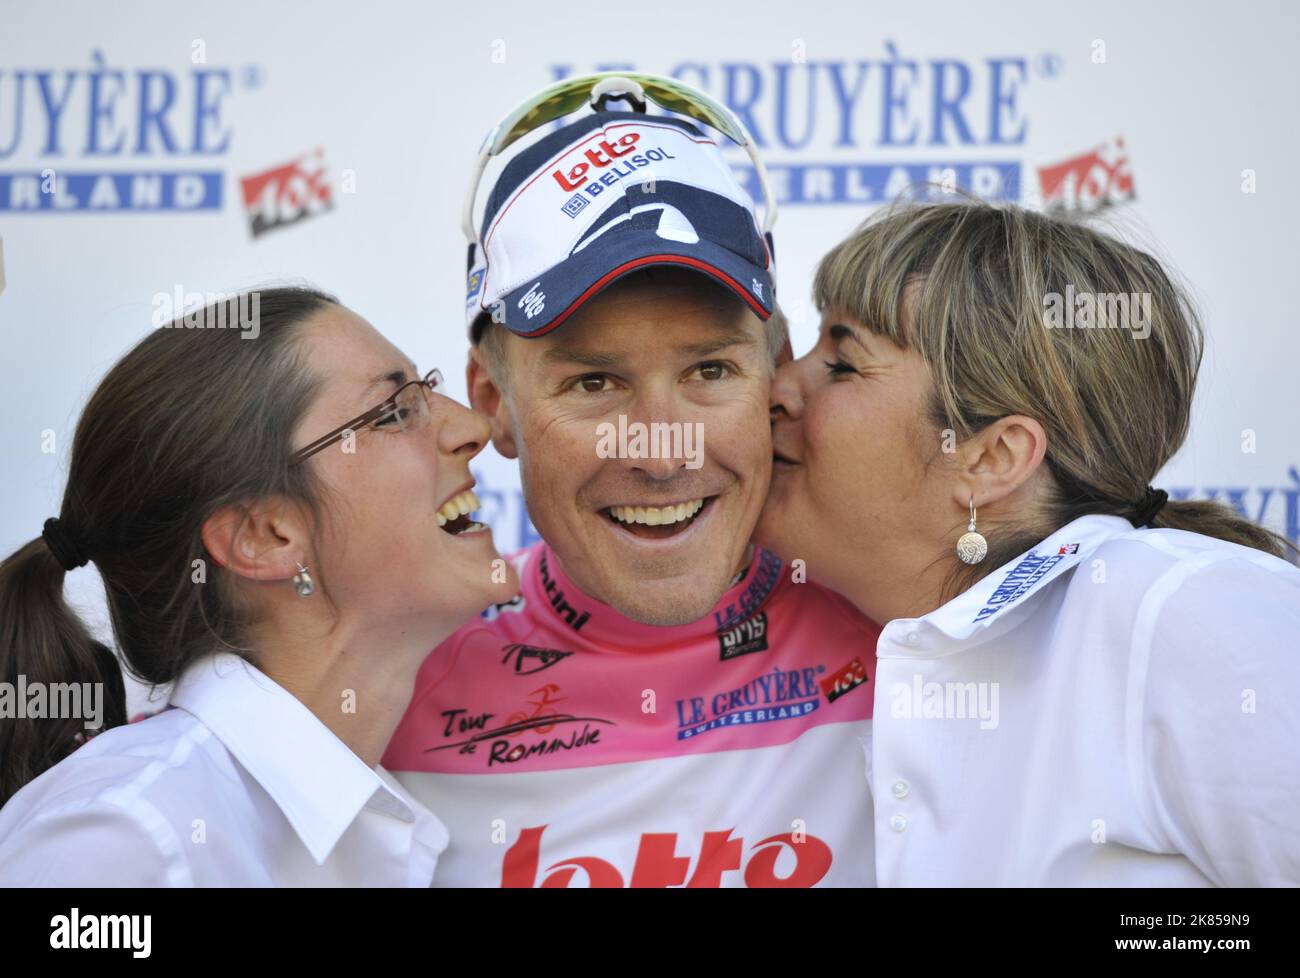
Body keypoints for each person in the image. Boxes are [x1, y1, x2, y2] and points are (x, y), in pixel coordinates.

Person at [383, 74, 881, 887]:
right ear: (492, 404)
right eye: (593, 383)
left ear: (777, 373)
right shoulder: (387, 700)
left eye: (710, 369)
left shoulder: (914, 642)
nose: (661, 451)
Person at [756, 198, 1300, 886]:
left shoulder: (1185, 611)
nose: (777, 388)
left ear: (991, 459)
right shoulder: (889, 647)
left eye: (842, 362)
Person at [0, 286, 517, 886]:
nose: (473, 426)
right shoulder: (130, 837)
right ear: (265, 537)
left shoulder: (367, 826)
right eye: (395, 411)